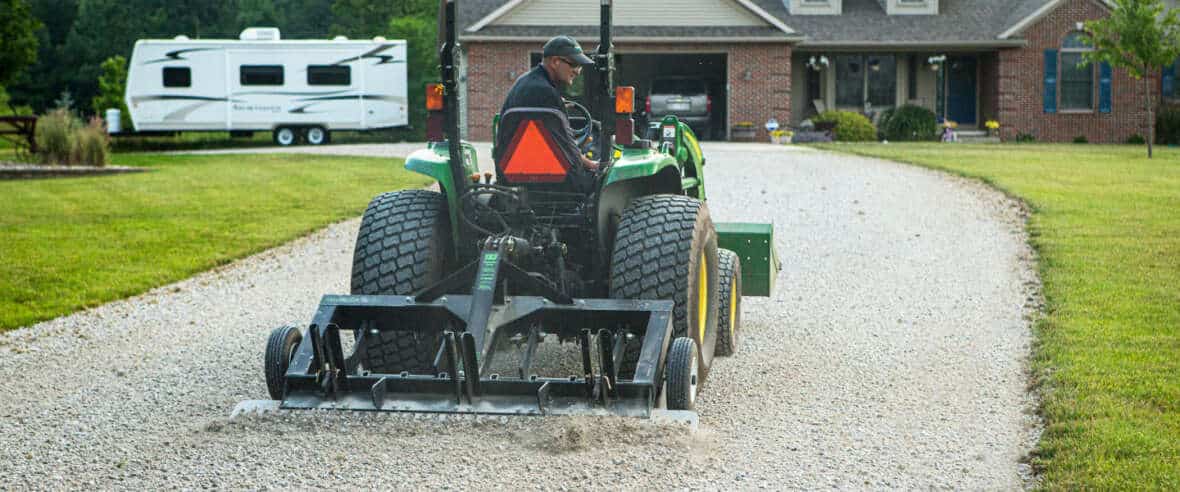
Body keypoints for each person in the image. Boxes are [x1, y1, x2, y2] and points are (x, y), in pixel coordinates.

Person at [498, 35, 599, 172]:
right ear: (555, 61)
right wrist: (592, 164)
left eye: (580, 66)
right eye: (574, 64)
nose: (577, 71)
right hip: (540, 172)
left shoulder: (529, 81)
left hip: (515, 166)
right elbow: (563, 145)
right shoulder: (545, 91)